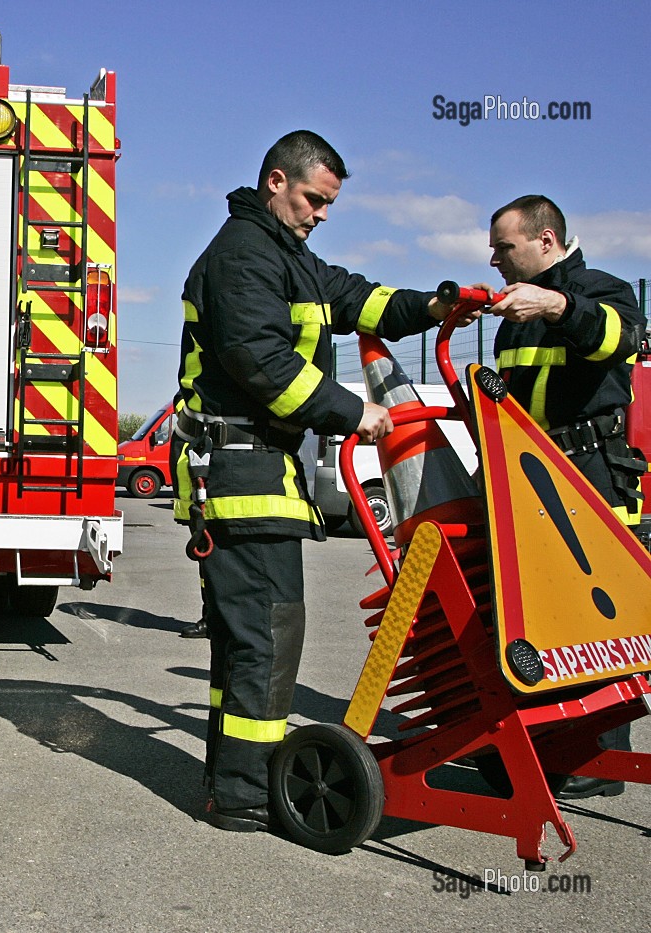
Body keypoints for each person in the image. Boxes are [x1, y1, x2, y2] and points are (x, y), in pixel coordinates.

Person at [173, 130, 466, 832]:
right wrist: (353, 410)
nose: (321, 214)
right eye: (313, 199)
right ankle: (246, 792)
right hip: (241, 473)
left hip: (260, 473)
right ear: (276, 180)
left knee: (251, 640)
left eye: (329, 204)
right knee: (266, 640)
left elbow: (359, 299)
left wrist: (435, 307)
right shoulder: (242, 256)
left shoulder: (288, 257)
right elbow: (262, 363)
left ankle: (235, 777)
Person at [485, 194, 647, 800]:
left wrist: (555, 305)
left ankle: (600, 758)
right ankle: (549, 745)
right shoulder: (512, 317)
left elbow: (618, 338)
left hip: (593, 475)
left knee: (602, 622)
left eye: (505, 246)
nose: (495, 259)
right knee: (542, 619)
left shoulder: (603, 290)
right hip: (532, 482)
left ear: (545, 240)